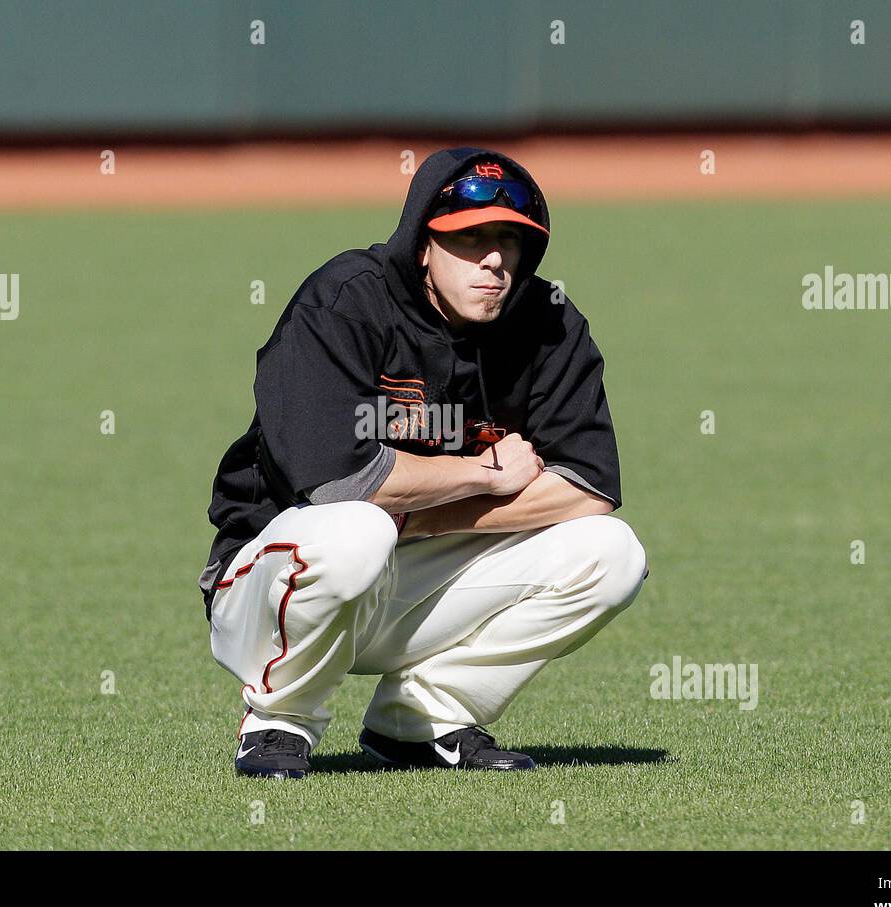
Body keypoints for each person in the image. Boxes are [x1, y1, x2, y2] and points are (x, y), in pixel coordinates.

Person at [199, 147, 648, 778]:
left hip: (409, 576)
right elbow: (339, 482)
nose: (494, 260)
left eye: (510, 241)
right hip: (270, 585)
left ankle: (420, 718)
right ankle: (280, 720)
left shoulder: (547, 324)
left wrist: (426, 518)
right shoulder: (345, 302)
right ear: (422, 245)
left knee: (613, 553)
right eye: (469, 238)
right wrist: (483, 475)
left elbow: (587, 487)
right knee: (359, 527)